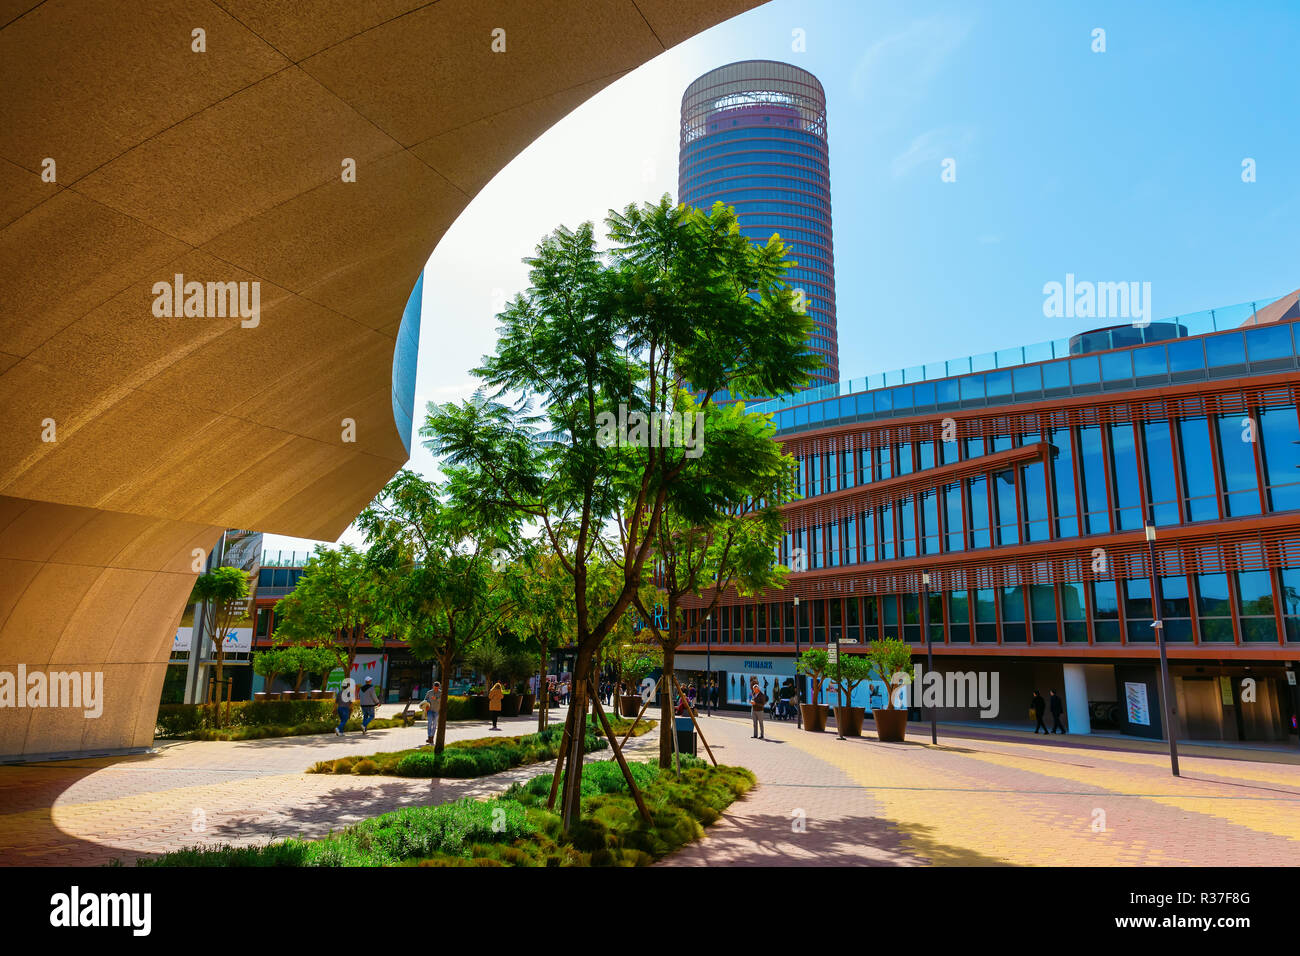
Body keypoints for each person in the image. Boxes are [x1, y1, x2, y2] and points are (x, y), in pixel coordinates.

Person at [424, 681, 442, 745]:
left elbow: (442, 700)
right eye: (435, 687)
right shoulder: (429, 692)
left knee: (434, 725)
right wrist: (426, 705)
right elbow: (425, 700)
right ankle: (429, 737)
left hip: (437, 710)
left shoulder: (441, 693)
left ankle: (432, 737)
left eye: (437, 688)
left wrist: (436, 698)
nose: (436, 689)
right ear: (433, 686)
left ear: (439, 687)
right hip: (430, 710)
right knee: (429, 723)